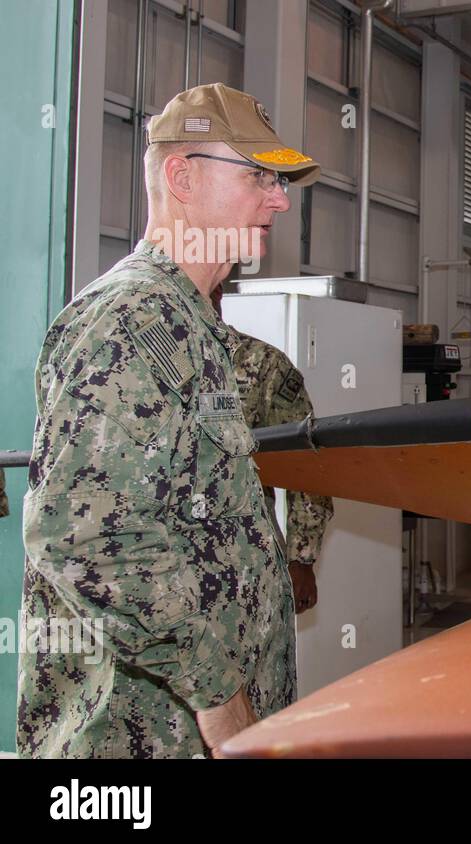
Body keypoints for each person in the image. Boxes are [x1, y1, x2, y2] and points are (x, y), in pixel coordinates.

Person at [18, 82, 320, 758]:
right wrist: (220, 696)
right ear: (181, 177)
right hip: (140, 737)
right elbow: (85, 534)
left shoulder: (192, 324)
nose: (278, 198)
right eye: (258, 177)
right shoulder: (130, 320)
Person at [211, 285, 333, 614]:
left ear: (217, 291)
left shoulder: (261, 364)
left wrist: (301, 558)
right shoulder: (151, 366)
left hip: (247, 561)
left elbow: (306, 460)